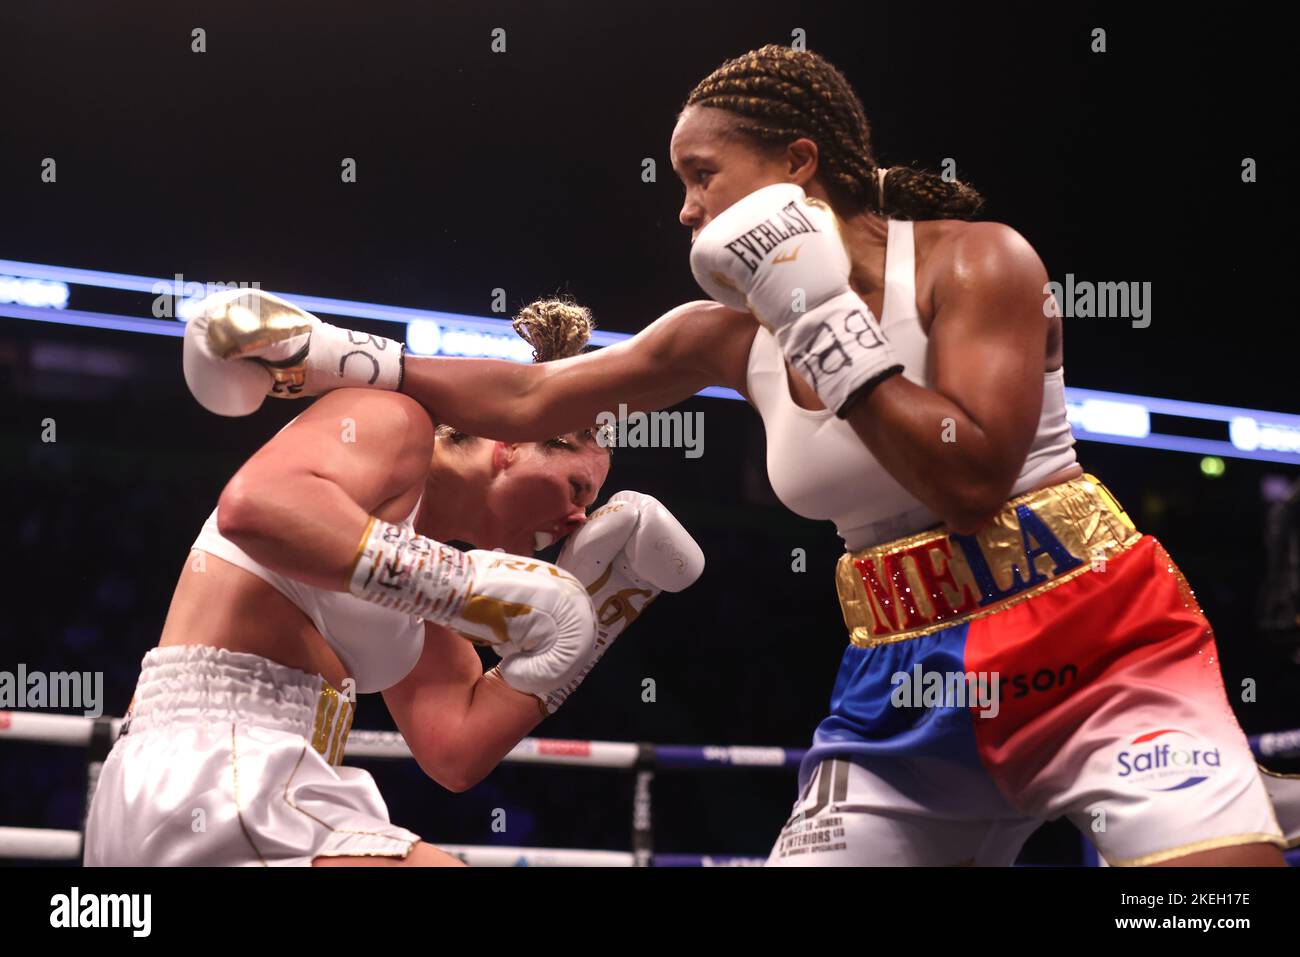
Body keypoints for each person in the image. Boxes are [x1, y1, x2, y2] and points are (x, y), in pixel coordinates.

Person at [182, 46, 1291, 867]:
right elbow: (532, 391)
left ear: (797, 163)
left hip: (1092, 640)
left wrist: (823, 321)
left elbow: (971, 475)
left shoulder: (975, 263)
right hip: (899, 673)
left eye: (704, 175)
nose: (686, 209)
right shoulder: (726, 333)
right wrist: (336, 352)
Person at [86, 299, 704, 866]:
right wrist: (460, 582)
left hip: (254, 778)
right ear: (510, 444)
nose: (577, 521)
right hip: (213, 766)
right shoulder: (391, 420)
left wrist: (601, 612)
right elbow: (254, 508)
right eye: (576, 488)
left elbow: (455, 748)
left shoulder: (411, 572)